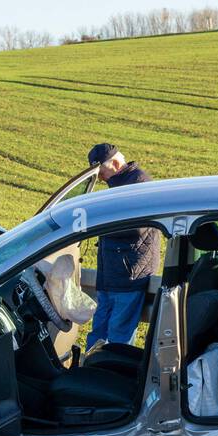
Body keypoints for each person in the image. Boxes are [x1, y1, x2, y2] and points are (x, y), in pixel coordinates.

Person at [86, 142, 161, 347]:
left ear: (117, 163)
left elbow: (137, 226)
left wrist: (98, 225)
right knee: (98, 330)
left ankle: (115, 375)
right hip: (111, 273)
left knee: (119, 335)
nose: (100, 178)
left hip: (129, 275)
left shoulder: (139, 184)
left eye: (101, 172)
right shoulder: (119, 185)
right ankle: (91, 370)